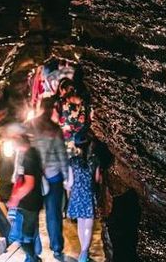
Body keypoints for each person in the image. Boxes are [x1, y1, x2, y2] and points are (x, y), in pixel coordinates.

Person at [31, 97, 69, 260]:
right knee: (53, 214)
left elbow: (23, 152)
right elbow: (62, 156)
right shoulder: (54, 129)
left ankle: (35, 248)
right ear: (52, 109)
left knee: (32, 213)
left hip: (34, 176)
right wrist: (67, 179)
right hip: (54, 177)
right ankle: (57, 247)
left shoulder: (30, 126)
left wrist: (19, 174)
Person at [6, 134, 44, 262]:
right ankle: (33, 257)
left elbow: (29, 183)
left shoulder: (28, 158)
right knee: (30, 234)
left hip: (29, 203)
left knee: (24, 239)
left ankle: (33, 259)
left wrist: (14, 199)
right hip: (32, 202)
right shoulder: (32, 153)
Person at [65, 137, 99, 262]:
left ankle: (83, 252)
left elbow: (70, 183)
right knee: (88, 226)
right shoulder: (95, 160)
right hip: (89, 194)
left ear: (77, 146)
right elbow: (96, 180)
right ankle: (84, 253)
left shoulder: (72, 161)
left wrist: (66, 188)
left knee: (80, 224)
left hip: (77, 195)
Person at [58, 80, 90, 147]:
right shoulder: (78, 101)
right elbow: (81, 121)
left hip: (69, 131)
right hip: (72, 130)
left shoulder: (62, 101)